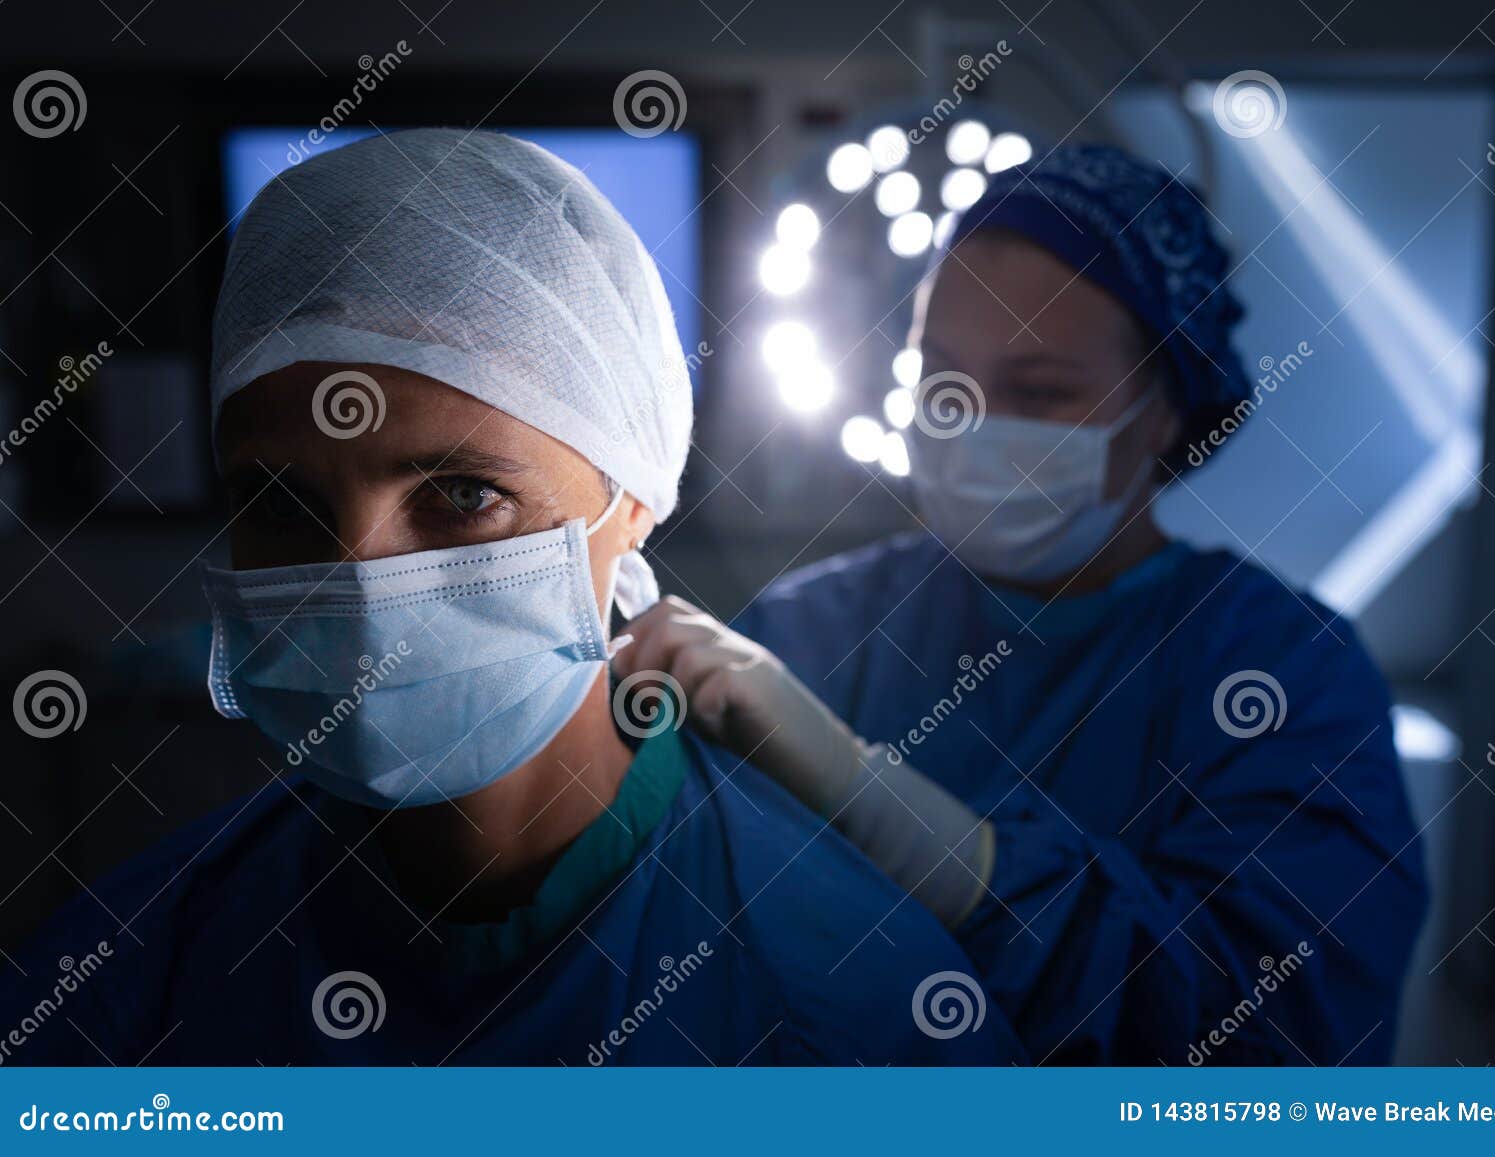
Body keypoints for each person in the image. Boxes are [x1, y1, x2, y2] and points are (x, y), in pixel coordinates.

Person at [0, 129, 1023, 1067]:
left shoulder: (853, 1012)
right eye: (282, 502)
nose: (360, 578)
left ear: (630, 505)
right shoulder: (119, 982)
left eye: (461, 495)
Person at [616, 144, 1428, 1064]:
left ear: (1166, 406)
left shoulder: (1283, 673)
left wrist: (886, 809)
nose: (969, 421)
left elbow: (1278, 1043)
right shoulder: (811, 629)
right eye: (943, 378)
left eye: (1038, 392)